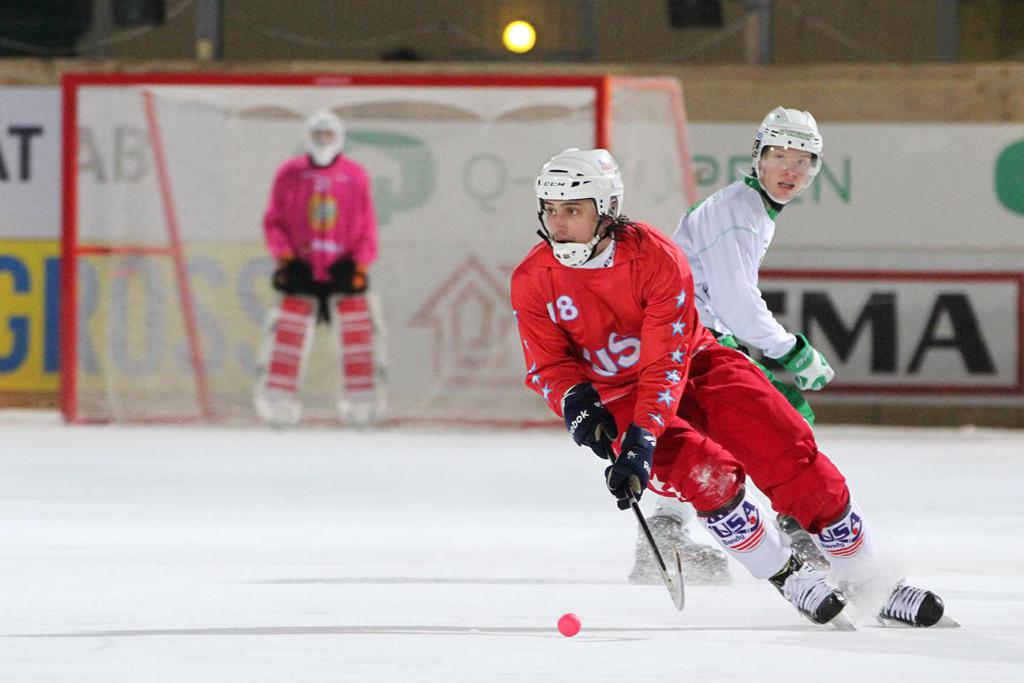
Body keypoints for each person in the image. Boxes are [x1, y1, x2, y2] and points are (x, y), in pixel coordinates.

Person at [511, 147, 946, 627]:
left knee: (786, 445)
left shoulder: (655, 257)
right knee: (704, 473)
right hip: (618, 395)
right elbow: (549, 364)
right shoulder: (533, 279)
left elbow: (665, 362)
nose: (558, 223)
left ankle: (871, 580)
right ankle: (788, 575)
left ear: (607, 209)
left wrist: (641, 439)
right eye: (550, 210)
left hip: (695, 363)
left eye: (572, 210)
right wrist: (577, 405)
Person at [631, 107, 837, 583]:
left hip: (680, 332)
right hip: (691, 335)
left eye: (803, 160)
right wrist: (793, 350)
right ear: (757, 158)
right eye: (779, 155)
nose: (790, 169)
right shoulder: (738, 213)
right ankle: (799, 525)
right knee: (780, 416)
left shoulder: (745, 208)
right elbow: (736, 301)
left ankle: (663, 532)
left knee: (698, 430)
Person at [254, 110, 382, 427]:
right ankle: (278, 404)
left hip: (343, 269)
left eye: (329, 135)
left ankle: (361, 406)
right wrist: (285, 259)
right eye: (317, 135)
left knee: (358, 342)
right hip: (302, 270)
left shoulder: (355, 175)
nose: (323, 141)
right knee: (286, 341)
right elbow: (274, 221)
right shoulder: (290, 173)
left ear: (339, 138)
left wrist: (360, 263)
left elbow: (368, 225)